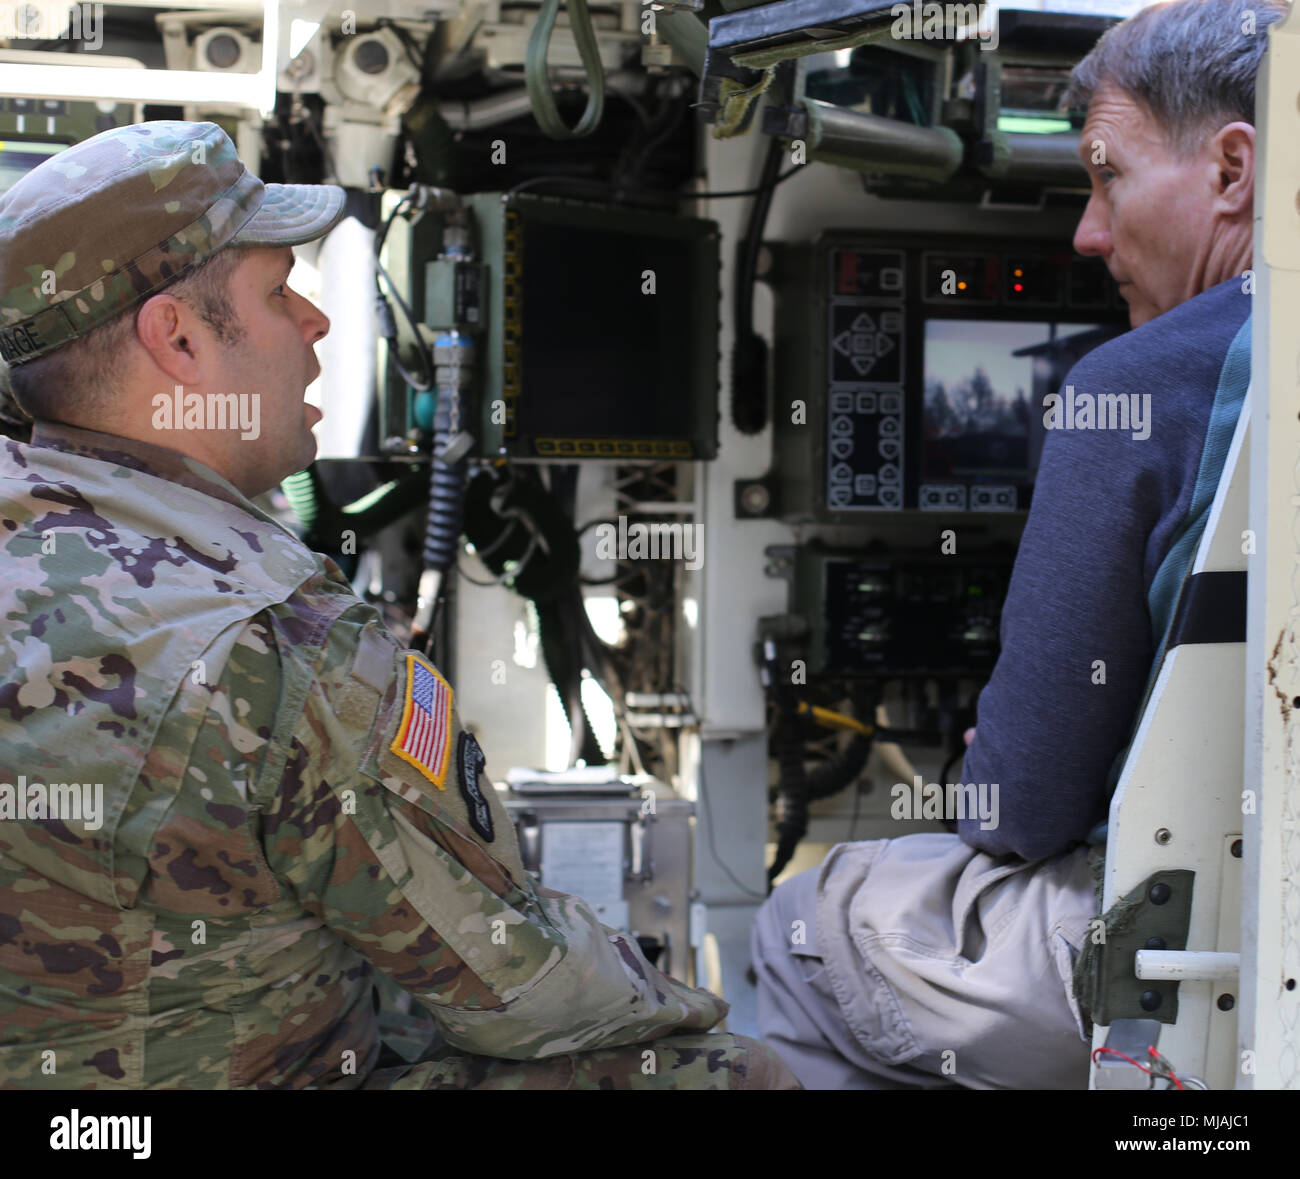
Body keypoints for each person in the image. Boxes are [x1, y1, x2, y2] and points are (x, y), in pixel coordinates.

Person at [0, 120, 800, 1090]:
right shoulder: (268, 642)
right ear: (176, 339)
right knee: (733, 1073)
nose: (316, 322)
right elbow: (524, 984)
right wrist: (693, 1008)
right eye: (276, 292)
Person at [752, 0, 1276, 1089]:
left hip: (1209, 951)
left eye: (1107, 176)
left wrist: (998, 752)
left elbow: (1021, 809)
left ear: (1233, 169)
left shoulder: (1136, 385)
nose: (1086, 232)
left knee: (807, 922)